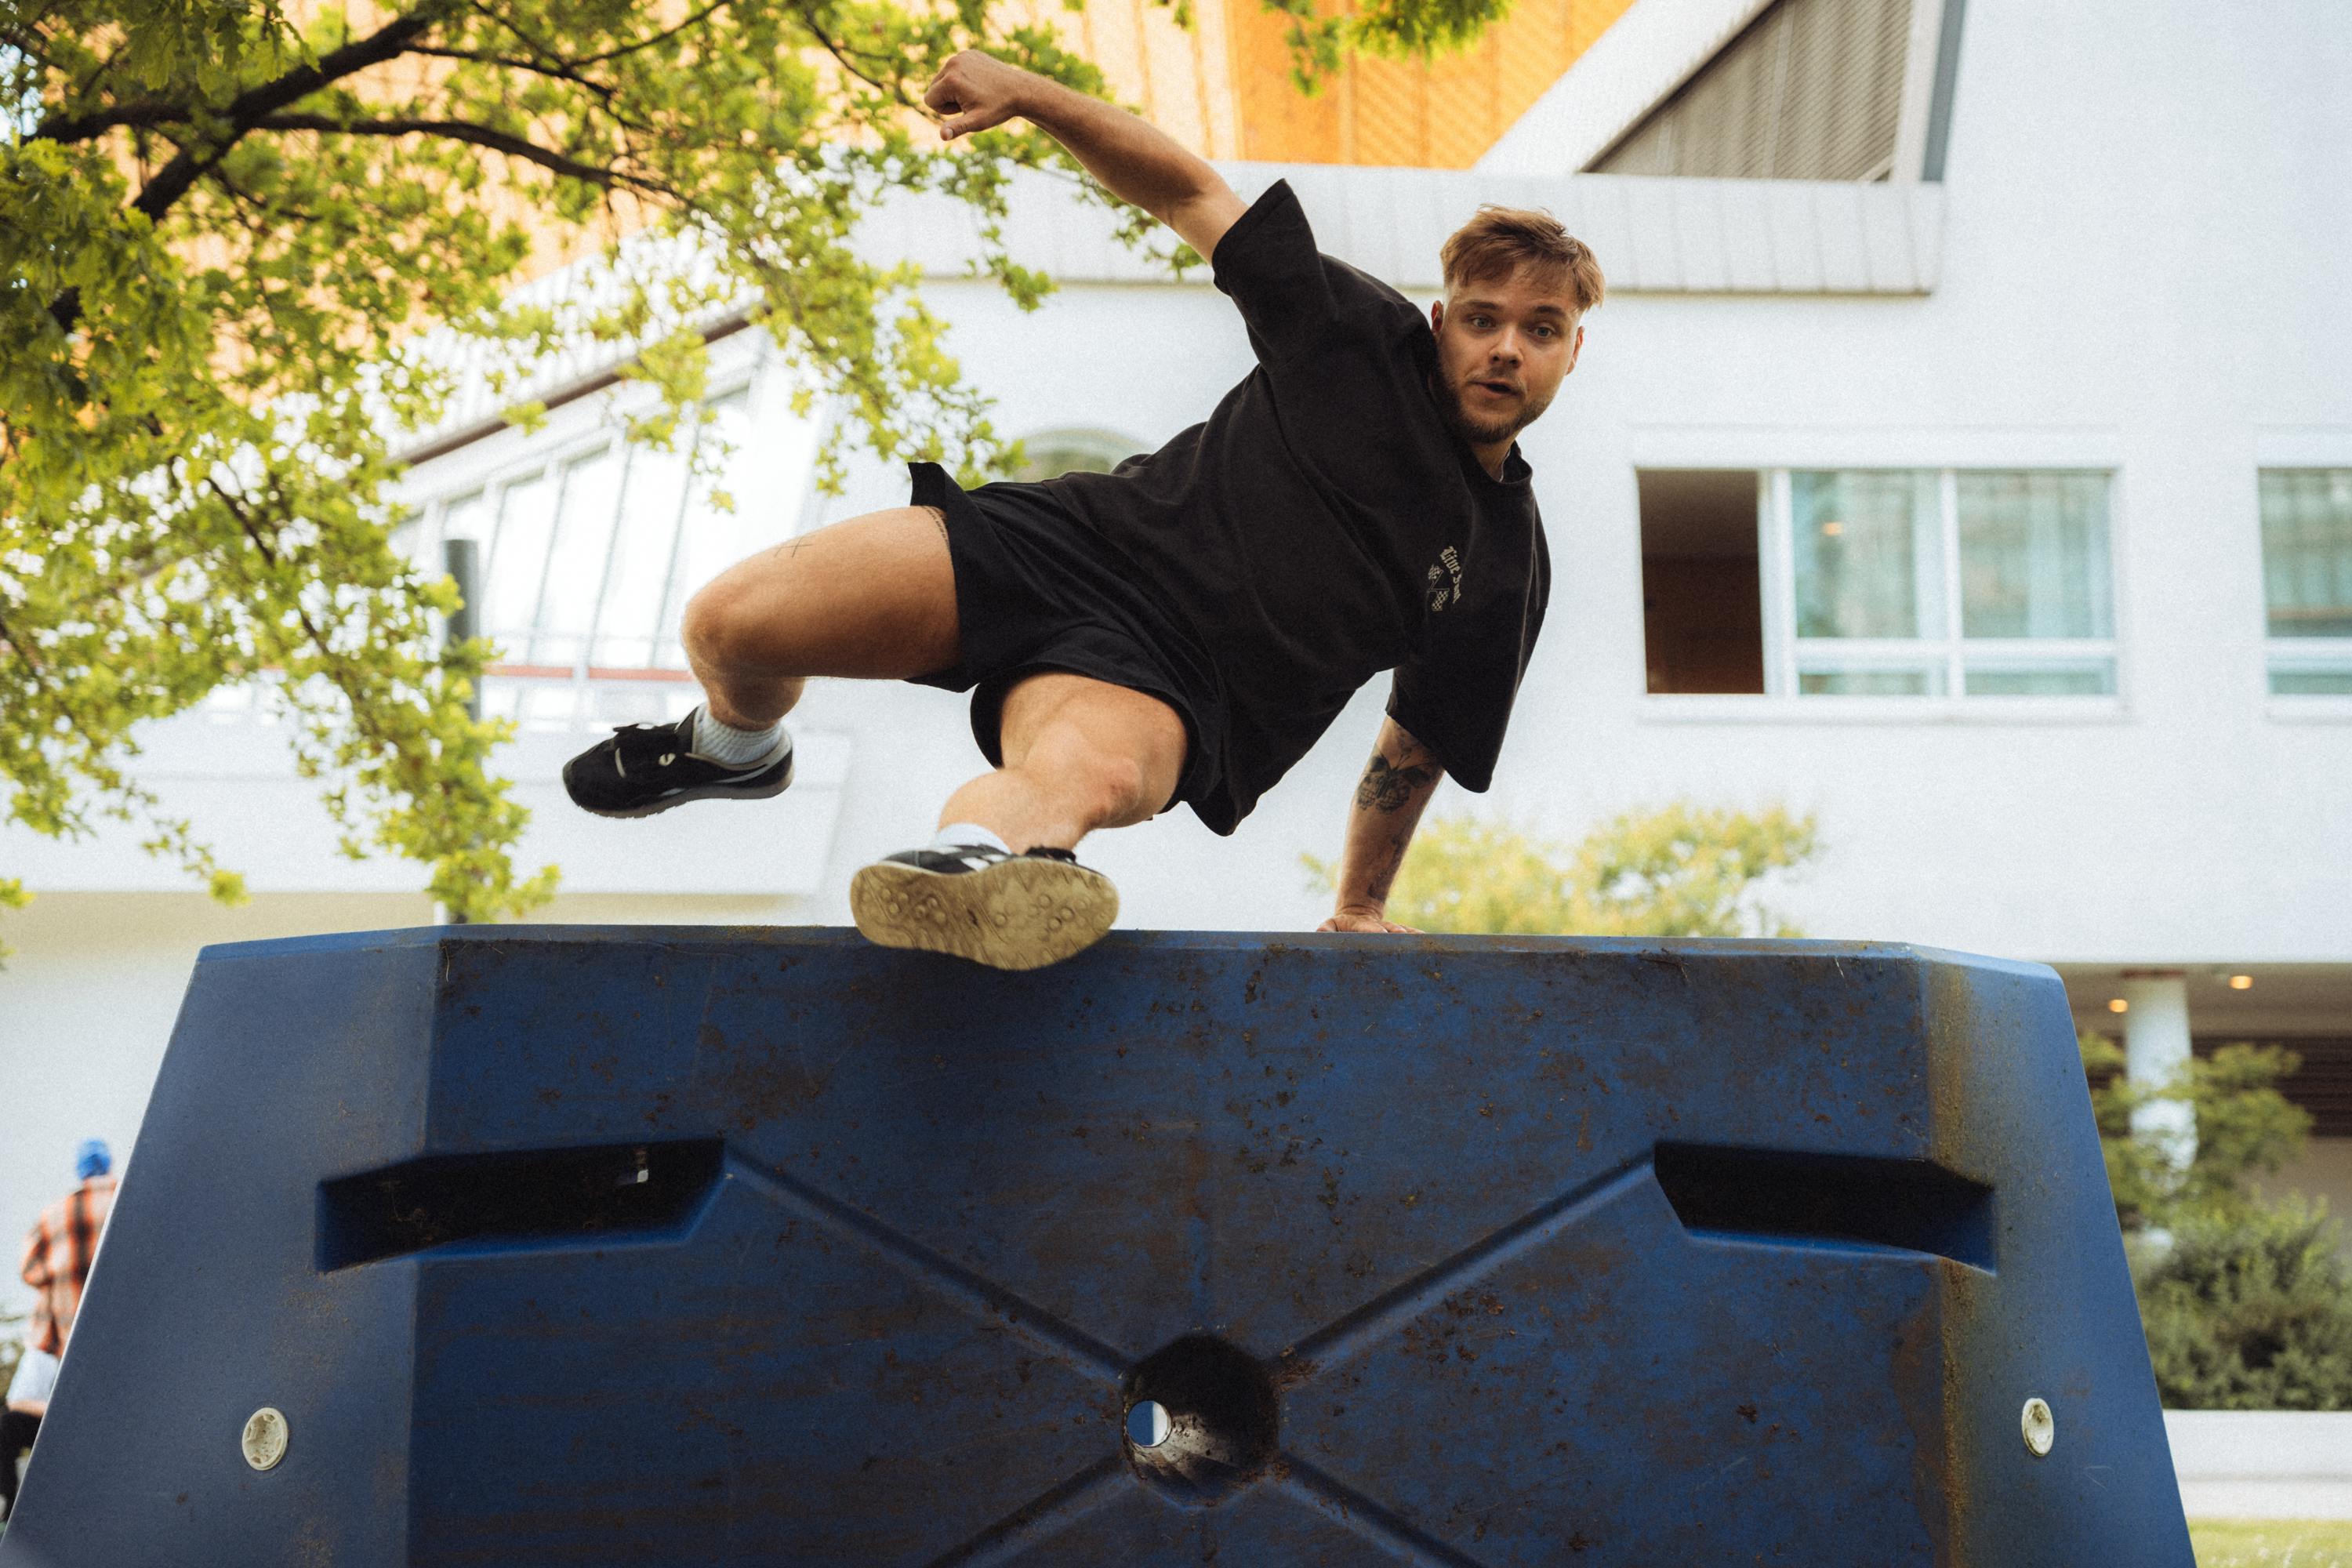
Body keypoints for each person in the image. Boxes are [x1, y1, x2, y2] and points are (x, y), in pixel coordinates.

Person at [561, 49, 1604, 971]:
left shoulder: (1501, 561)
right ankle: (737, 748)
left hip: (1179, 683)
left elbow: (1412, 747)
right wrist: (1028, 94)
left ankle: (974, 864)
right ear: (1442, 321)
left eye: (1540, 330)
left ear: (1573, 349)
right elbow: (1188, 193)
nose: (1506, 350)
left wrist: (1361, 906)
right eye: (1483, 321)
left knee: (1076, 774)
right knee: (731, 624)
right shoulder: (1352, 334)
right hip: (1072, 544)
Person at [19, 1141, 115, 1363]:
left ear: (80, 1169)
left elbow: (29, 1271)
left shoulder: (54, 1213)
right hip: (124, 1331)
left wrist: (62, 1268)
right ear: (109, 1164)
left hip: (71, 1338)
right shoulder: (132, 1202)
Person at [1, 1327, 58, 1522]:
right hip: (50, 1421)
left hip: (84, 1427)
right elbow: (16, 1401)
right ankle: (8, 1501)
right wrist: (59, 1408)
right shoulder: (40, 1356)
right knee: (7, 1423)